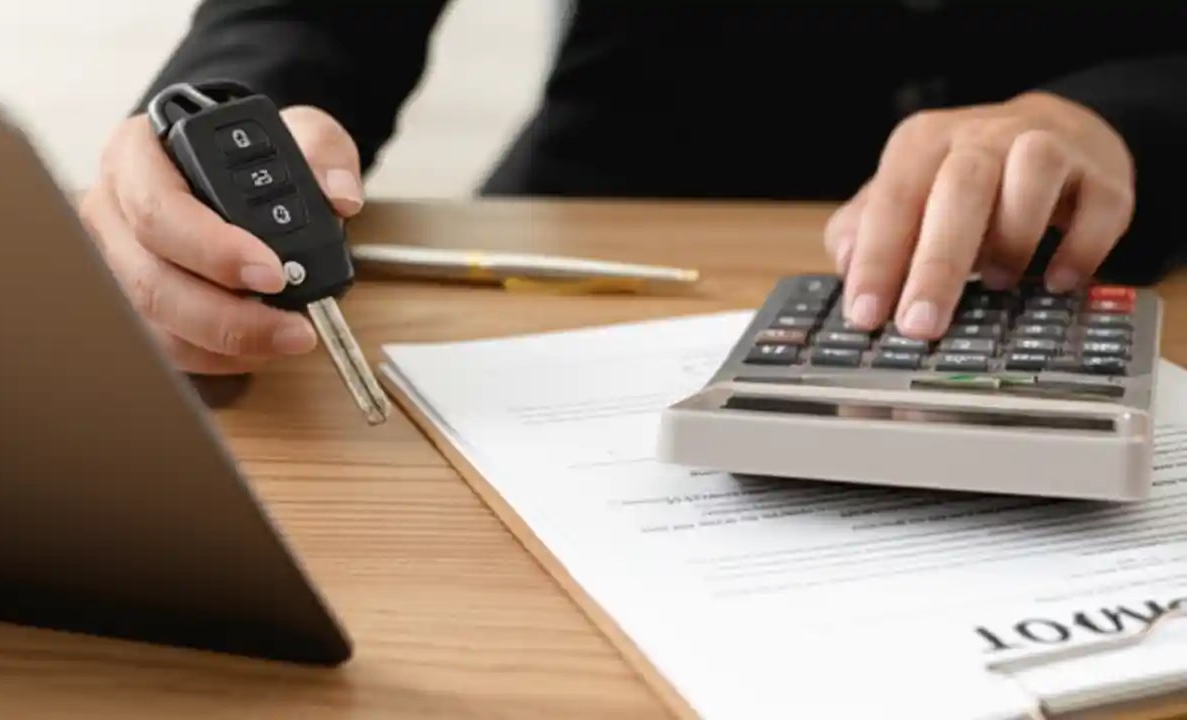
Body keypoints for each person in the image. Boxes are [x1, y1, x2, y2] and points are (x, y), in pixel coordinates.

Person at [79, 1, 1187, 376]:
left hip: (1122, 253)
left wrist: (1123, 114)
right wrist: (219, 123)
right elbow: (307, 18)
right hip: (592, 202)